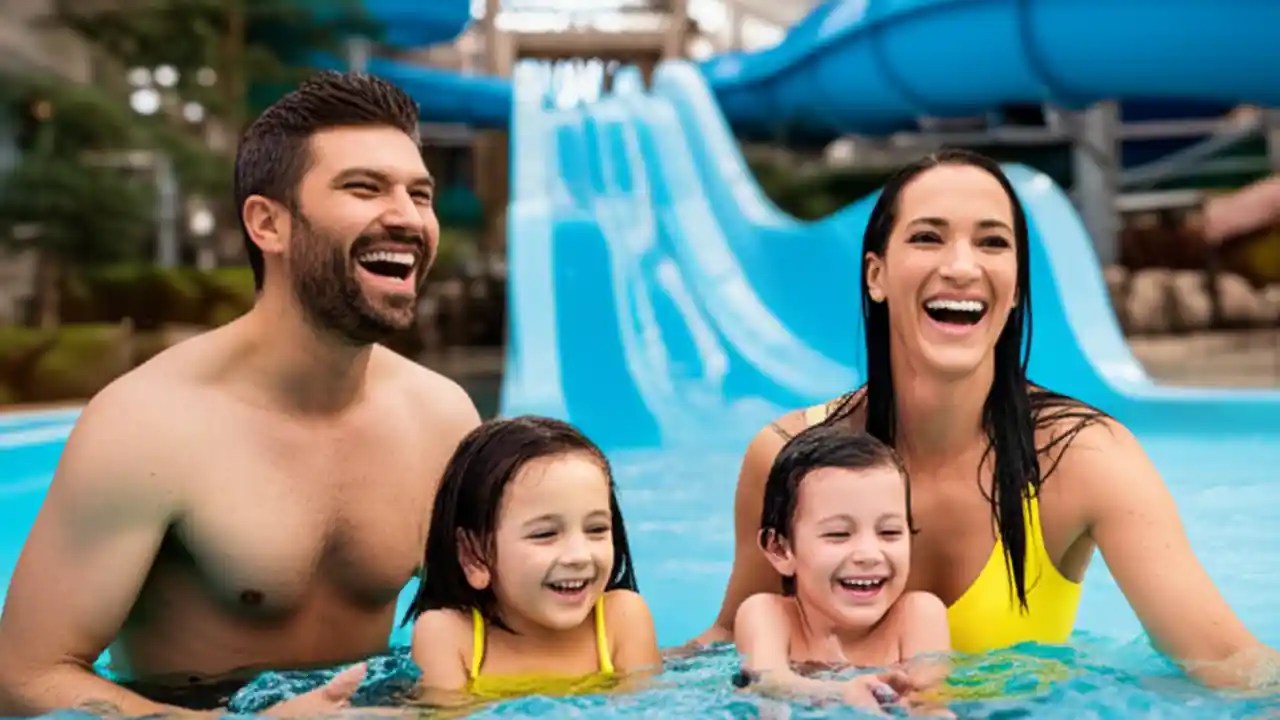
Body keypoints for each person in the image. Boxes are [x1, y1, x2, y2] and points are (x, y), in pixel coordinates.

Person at [694, 148, 1280, 690]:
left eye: (992, 243)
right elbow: (729, 649)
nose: (961, 267)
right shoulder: (788, 455)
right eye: (927, 237)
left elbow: (1224, 660)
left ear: (1019, 283)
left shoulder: (1081, 459)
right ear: (876, 275)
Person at [0, 71, 482, 717]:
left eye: (419, 194)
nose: (406, 216)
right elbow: (24, 677)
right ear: (268, 224)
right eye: (364, 188)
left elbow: (503, 624)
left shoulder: (440, 417)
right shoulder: (149, 424)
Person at [405, 415, 662, 707]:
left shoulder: (620, 621)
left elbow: (647, 710)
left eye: (596, 529)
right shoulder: (450, 637)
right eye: (545, 534)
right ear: (473, 554)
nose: (579, 555)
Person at [733, 423, 950, 713]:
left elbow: (930, 704)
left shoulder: (918, 615)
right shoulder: (767, 615)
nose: (869, 555)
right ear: (780, 549)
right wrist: (840, 693)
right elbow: (767, 683)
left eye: (889, 532)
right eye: (838, 534)